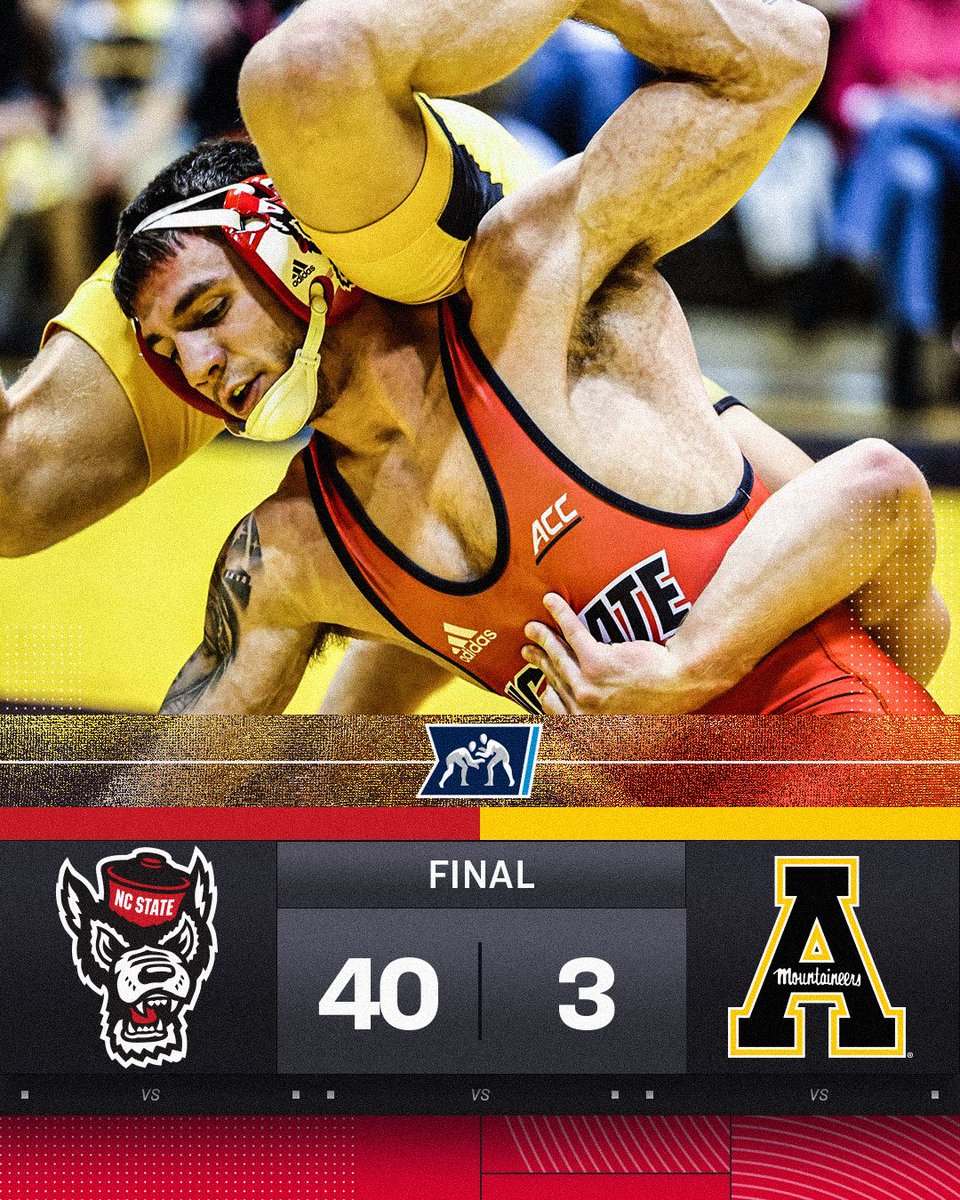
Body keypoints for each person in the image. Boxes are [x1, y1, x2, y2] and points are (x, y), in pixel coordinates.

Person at [112, 0, 946, 716]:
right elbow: (172, 802)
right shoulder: (302, 552)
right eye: (165, 352)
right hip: (680, 846)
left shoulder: (534, 281)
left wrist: (697, 664)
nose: (196, 366)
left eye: (207, 313)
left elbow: (782, 50)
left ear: (284, 251)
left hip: (842, 793)